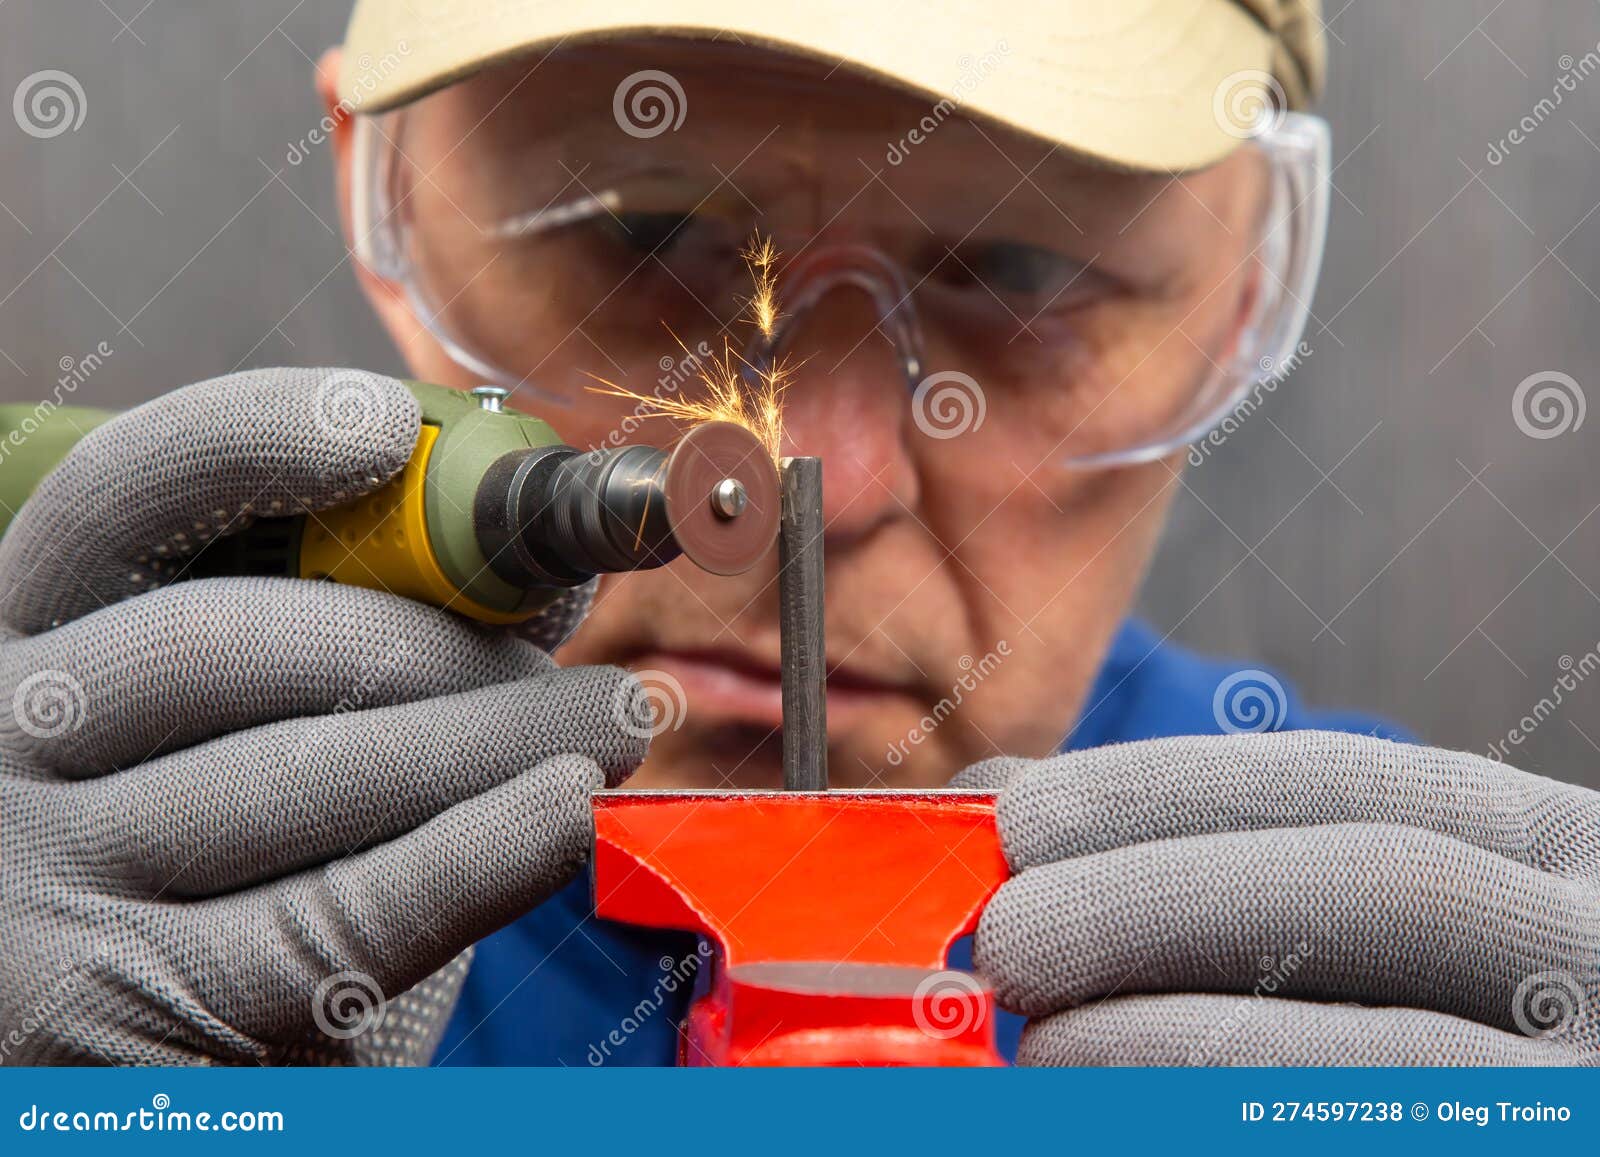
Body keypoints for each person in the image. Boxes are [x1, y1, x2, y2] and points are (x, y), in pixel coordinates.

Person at [0, 0, 1594, 1067]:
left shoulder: (1403, 968)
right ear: (385, 193)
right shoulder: (92, 913)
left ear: (1250, 288)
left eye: (1022, 274)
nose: (803, 470)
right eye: (643, 235)